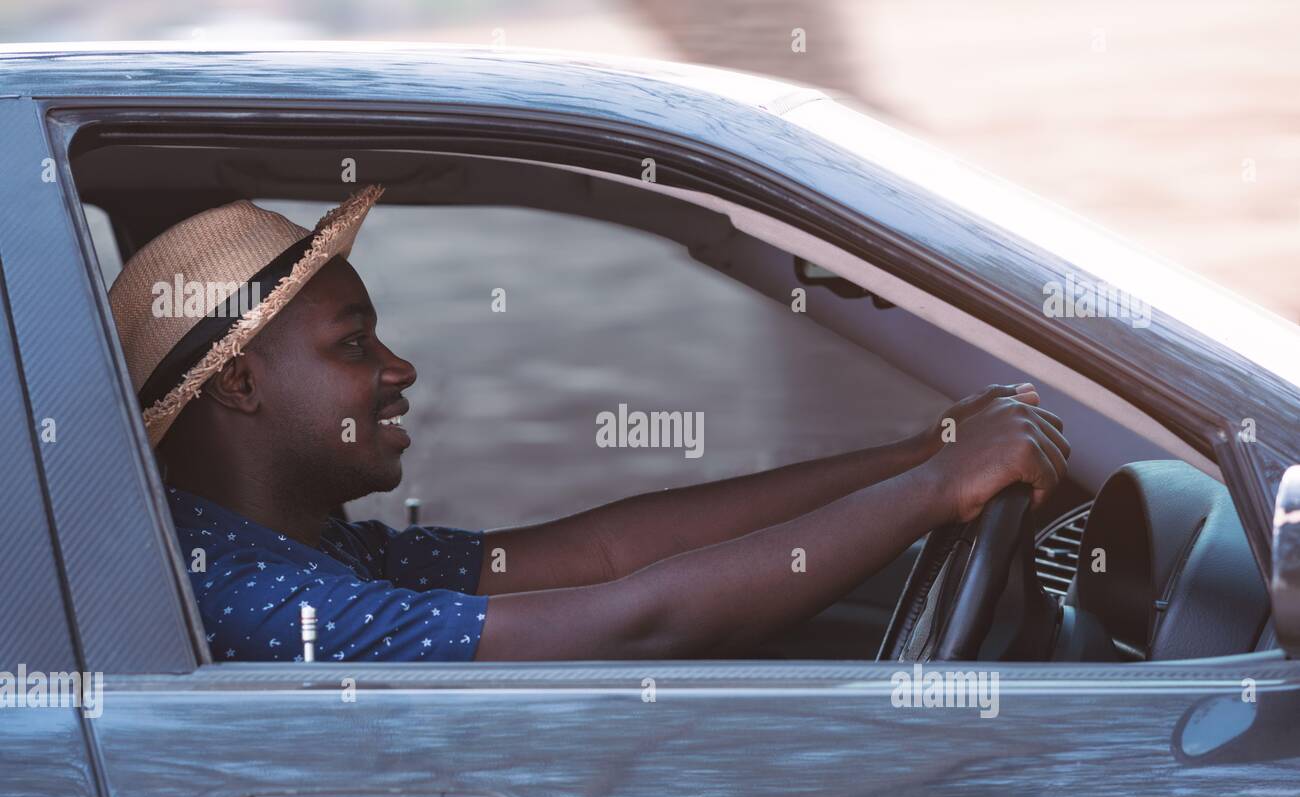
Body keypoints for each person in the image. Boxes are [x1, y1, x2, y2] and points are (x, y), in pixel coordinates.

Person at [109, 185, 1069, 662]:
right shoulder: (256, 603)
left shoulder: (320, 554)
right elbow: (633, 619)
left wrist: (913, 456)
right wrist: (934, 491)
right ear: (239, 386)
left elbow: (609, 549)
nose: (400, 368)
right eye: (355, 345)